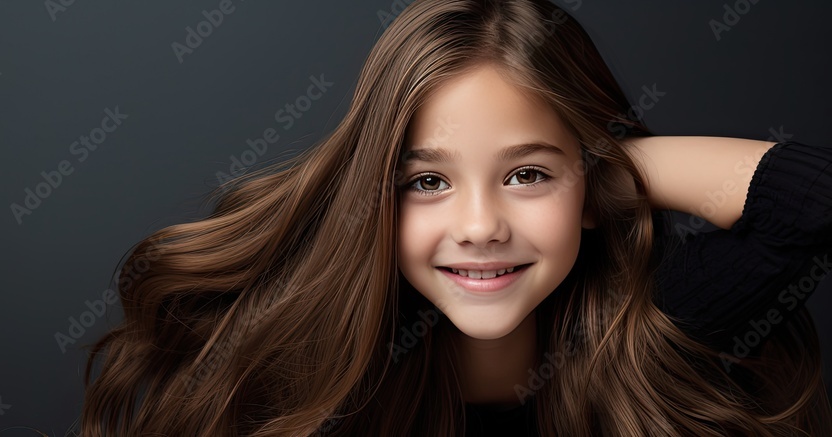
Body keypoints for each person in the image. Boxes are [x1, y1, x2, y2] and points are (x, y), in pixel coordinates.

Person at [77, 0, 832, 435]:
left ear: (595, 193)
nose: (479, 225)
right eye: (428, 181)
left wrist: (615, 168)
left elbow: (814, 205)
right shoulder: (316, 377)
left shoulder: (655, 328)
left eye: (527, 174)